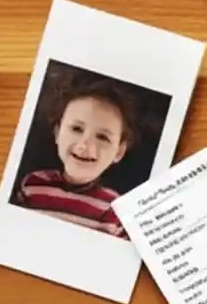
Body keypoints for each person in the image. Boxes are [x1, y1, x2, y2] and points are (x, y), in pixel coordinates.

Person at [14, 76, 137, 239]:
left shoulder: (116, 209)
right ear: (57, 133)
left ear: (119, 152)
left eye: (102, 137)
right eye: (77, 129)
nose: (85, 145)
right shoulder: (32, 184)